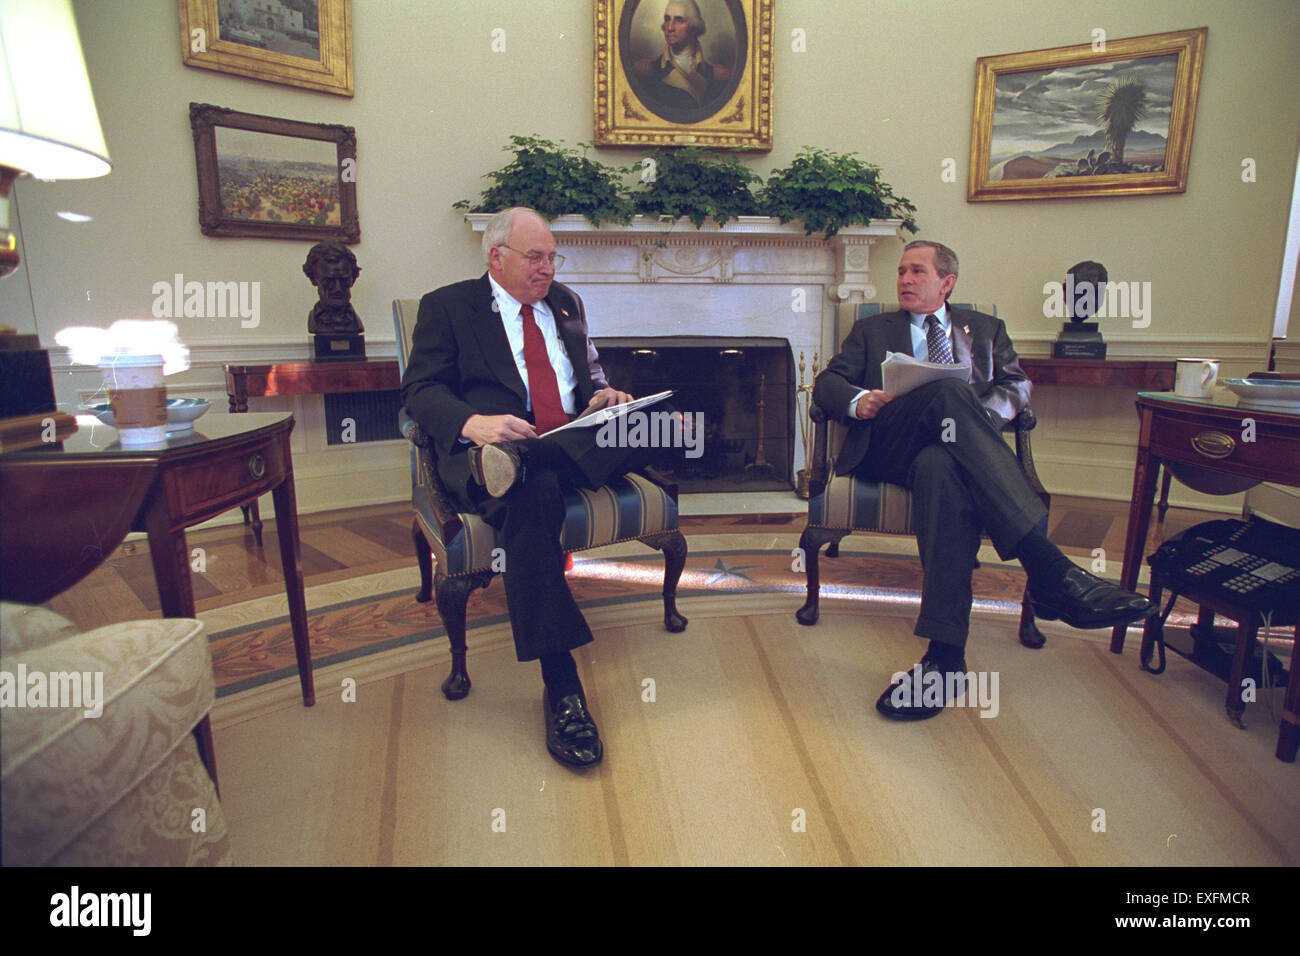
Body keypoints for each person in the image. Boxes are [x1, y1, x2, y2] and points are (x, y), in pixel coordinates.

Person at [812, 240, 1153, 720]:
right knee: (951, 390)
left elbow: (1017, 387)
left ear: (946, 282)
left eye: (917, 271)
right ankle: (1049, 568)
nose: (905, 280)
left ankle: (944, 659)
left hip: (946, 453)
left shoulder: (987, 330)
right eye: (902, 272)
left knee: (942, 468)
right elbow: (828, 383)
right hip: (889, 443)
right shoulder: (871, 329)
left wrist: (978, 419)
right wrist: (857, 400)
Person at [401, 207, 667, 768]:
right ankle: (563, 684)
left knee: (657, 423)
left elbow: (586, 378)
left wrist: (604, 398)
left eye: (552, 257)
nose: (548, 269)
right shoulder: (448, 307)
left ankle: (523, 463)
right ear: (497, 257)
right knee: (532, 491)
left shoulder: (566, 303)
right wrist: (472, 424)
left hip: (560, 440)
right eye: (536, 257)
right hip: (489, 448)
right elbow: (419, 392)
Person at [631, 0, 732, 118]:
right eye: (667, 19)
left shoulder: (718, 76)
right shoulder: (646, 72)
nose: (669, 27)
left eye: (679, 20)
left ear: (694, 27)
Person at [303, 241, 364, 335]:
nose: (337, 288)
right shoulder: (315, 322)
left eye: (344, 280)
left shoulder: (355, 323)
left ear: (353, 278)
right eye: (329, 281)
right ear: (314, 279)